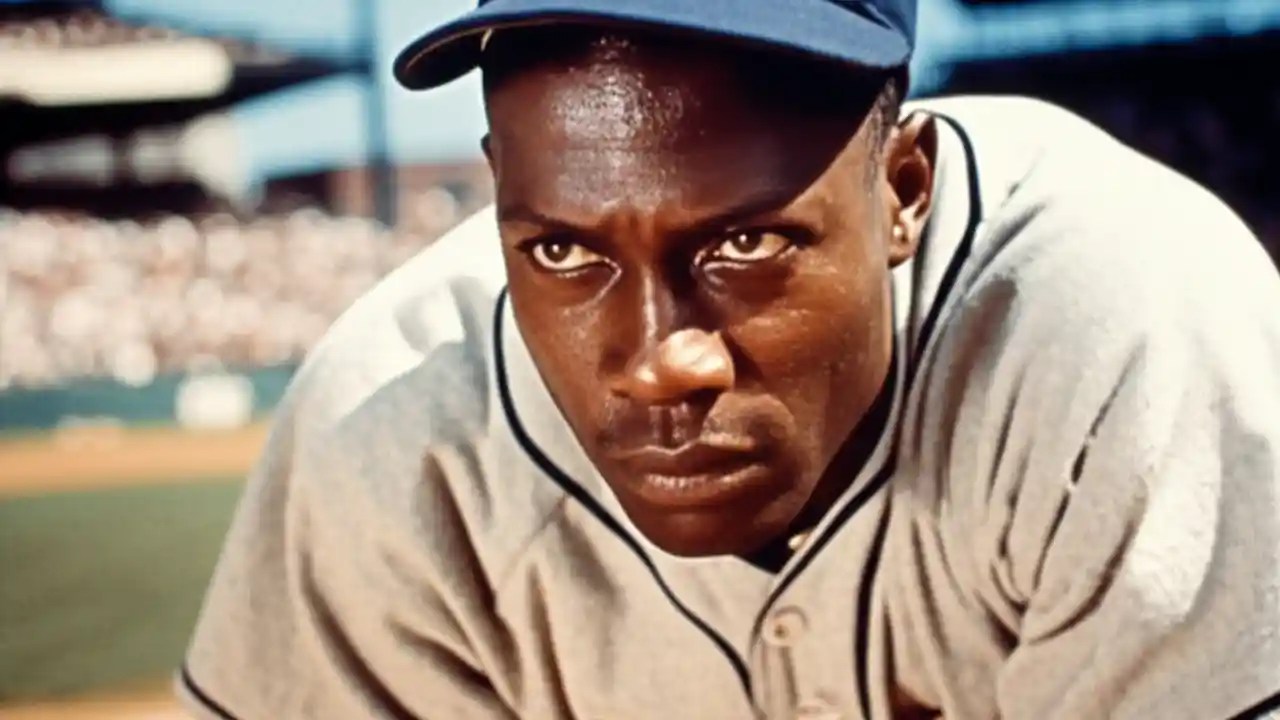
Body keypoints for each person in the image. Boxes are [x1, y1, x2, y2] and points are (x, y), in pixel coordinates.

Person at [178, 2, 1280, 718]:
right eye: (561, 249)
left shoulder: (1124, 330)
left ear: (900, 191)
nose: (659, 363)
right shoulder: (392, 437)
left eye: (742, 243)